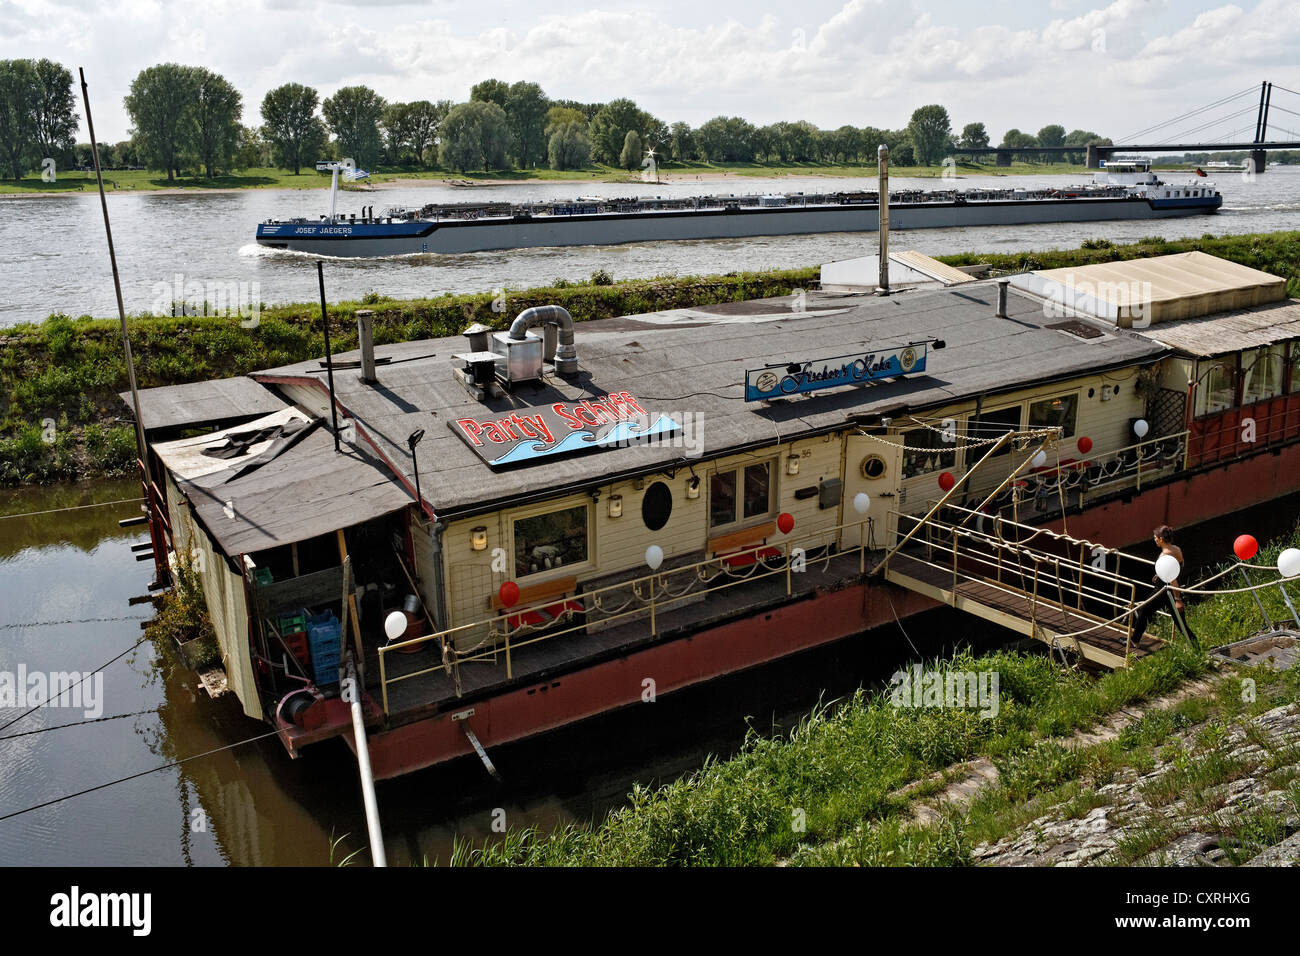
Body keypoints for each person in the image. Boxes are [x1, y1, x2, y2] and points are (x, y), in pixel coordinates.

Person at [1130, 525, 1194, 642]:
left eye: (1155, 538)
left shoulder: (1165, 554)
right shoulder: (1176, 549)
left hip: (1164, 591)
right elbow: (1178, 566)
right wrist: (1160, 573)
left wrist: (1178, 600)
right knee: (1181, 624)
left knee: (1144, 610)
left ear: (1161, 539)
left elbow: (1173, 578)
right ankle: (1196, 647)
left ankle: (1134, 640)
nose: (1154, 540)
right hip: (1169, 589)